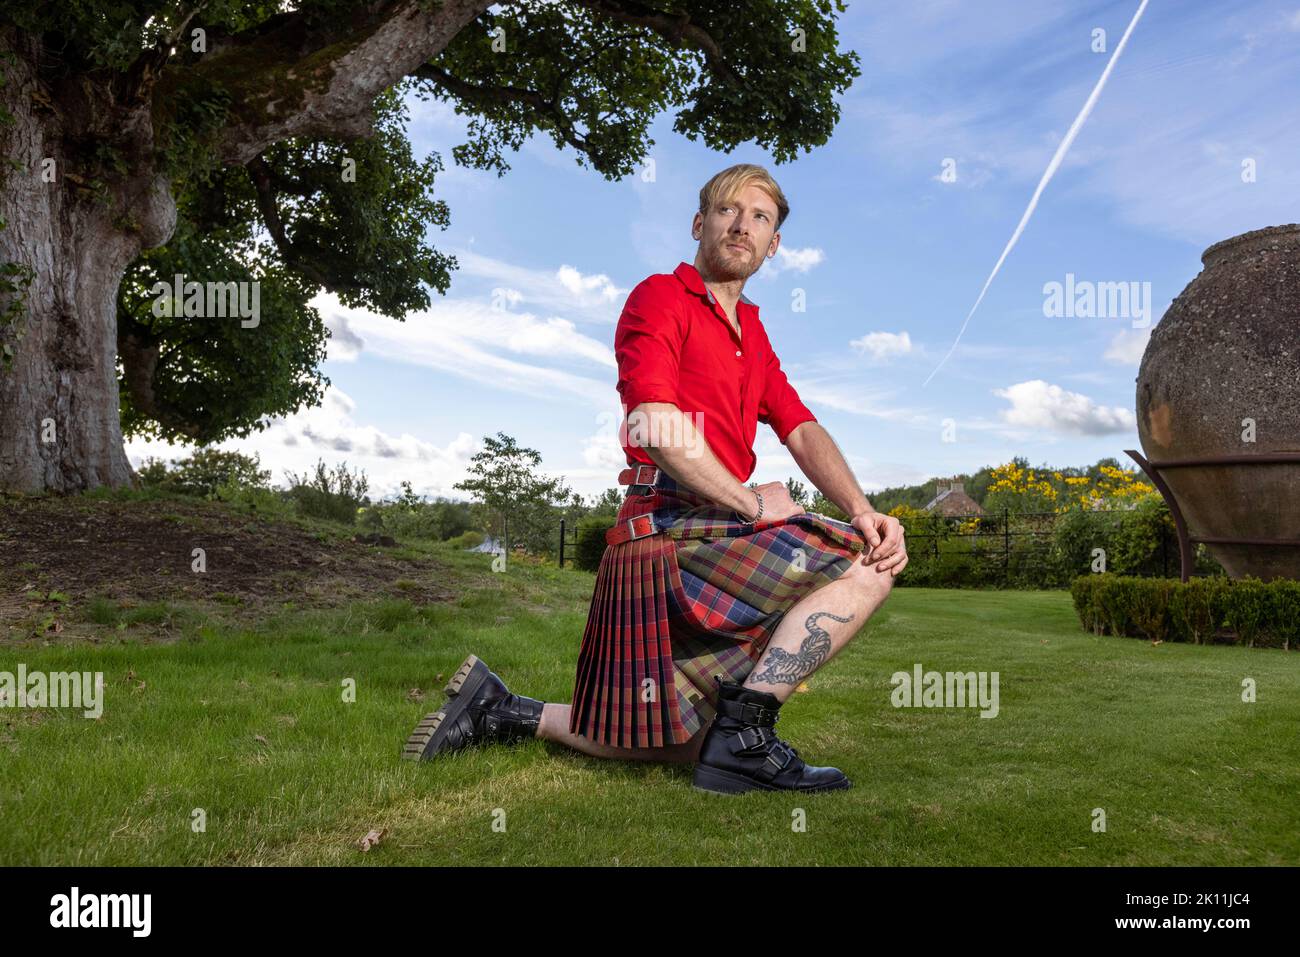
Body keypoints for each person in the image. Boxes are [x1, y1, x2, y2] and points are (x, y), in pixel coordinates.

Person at [403, 163, 907, 795]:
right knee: (866, 566)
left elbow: (800, 426)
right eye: (728, 210)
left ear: (774, 245)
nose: (742, 225)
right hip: (667, 525)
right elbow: (652, 422)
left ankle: (504, 711)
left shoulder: (752, 331)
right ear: (700, 223)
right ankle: (748, 735)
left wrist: (862, 508)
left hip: (713, 527)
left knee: (683, 745)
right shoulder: (660, 297)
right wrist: (751, 502)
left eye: (761, 218)